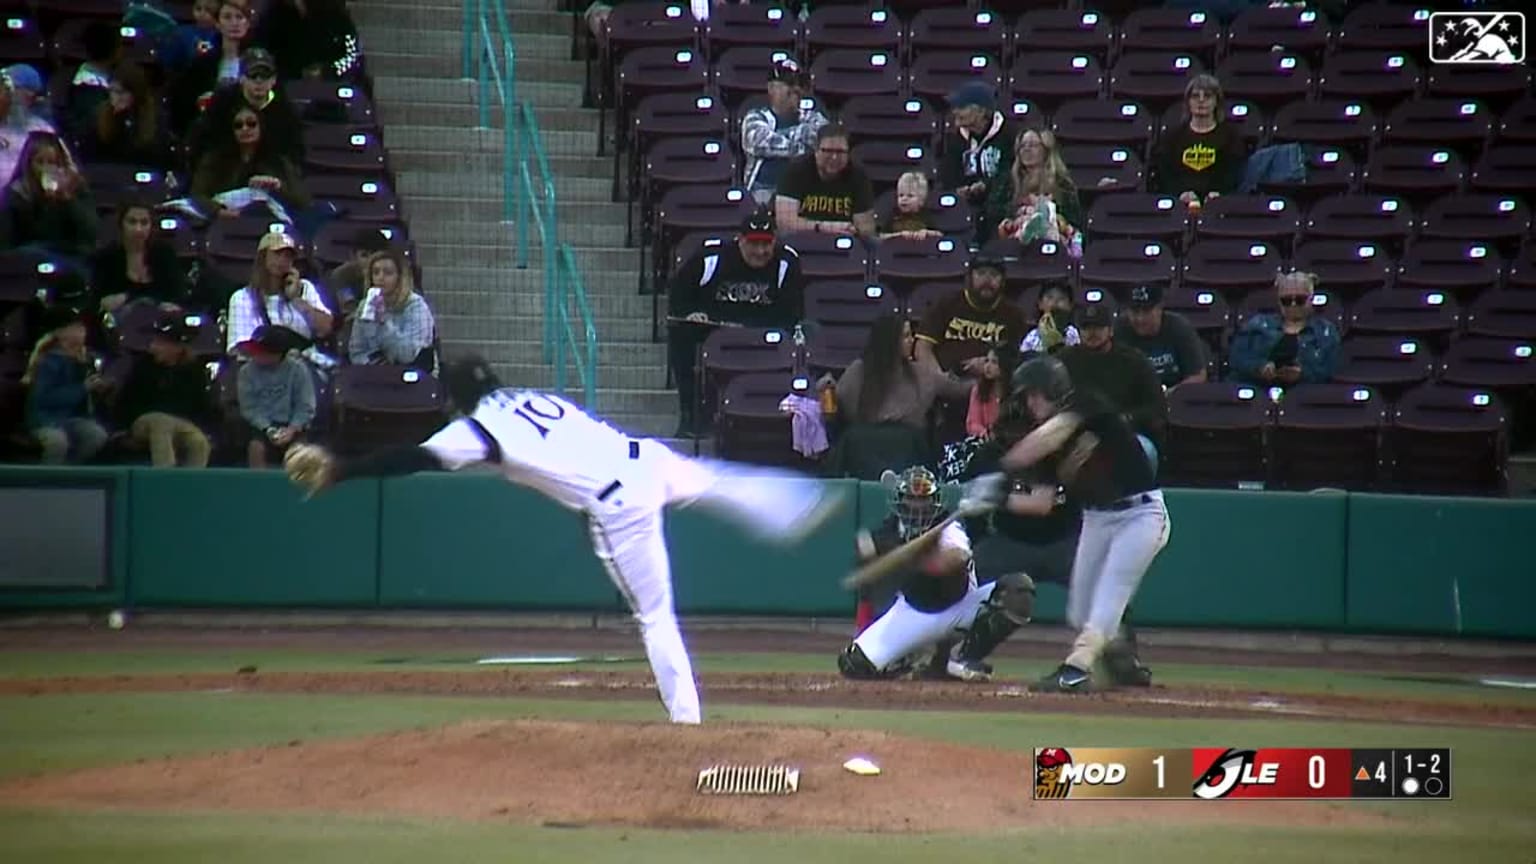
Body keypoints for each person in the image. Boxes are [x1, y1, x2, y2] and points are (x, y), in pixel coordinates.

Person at [282, 354, 849, 725]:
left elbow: (413, 457)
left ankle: (688, 724)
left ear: (456, 399)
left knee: (655, 617)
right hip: (645, 460)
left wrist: (340, 467)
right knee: (720, 483)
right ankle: (796, 504)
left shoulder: (476, 427)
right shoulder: (536, 398)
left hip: (618, 505)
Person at [943, 367, 1154, 686]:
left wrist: (1002, 474)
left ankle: (1097, 666)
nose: (1029, 404)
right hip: (1060, 529)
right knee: (1075, 607)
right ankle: (954, 654)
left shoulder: (1085, 403)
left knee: (1106, 591)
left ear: (1047, 390)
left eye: (1032, 395)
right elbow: (1040, 501)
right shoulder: (1042, 448)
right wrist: (996, 498)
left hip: (1118, 521)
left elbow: (1053, 434)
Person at [837, 465, 1028, 679]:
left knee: (1018, 592)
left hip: (963, 606)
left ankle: (962, 657)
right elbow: (867, 573)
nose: (918, 506)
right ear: (901, 500)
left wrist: (921, 559)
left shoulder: (949, 527)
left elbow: (958, 556)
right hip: (914, 611)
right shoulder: (887, 534)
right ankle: (917, 659)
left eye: (923, 499)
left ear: (934, 501)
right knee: (853, 664)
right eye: (912, 498)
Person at [666, 206, 803, 436]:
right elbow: (679, 294)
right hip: (715, 331)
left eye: (766, 244)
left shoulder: (786, 263)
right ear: (740, 240)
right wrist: (692, 313)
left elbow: (793, 312)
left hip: (764, 335)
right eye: (753, 244)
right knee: (682, 333)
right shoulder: (712, 258)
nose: (760, 251)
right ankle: (691, 416)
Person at [1228, 270, 1340, 388]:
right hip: (1257, 390)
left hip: (1303, 394)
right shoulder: (1257, 324)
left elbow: (1331, 369)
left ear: (1311, 299)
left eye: (1300, 300)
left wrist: (1302, 374)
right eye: (1286, 301)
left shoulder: (1325, 331)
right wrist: (1259, 368)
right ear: (1278, 302)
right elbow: (1237, 358)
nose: (1293, 305)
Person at [740, 56, 827, 203]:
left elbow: (824, 137)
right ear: (771, 88)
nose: (795, 88)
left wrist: (782, 139)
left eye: (798, 83)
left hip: (803, 192)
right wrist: (803, 144)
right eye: (789, 83)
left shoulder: (813, 117)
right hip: (762, 193)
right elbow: (761, 143)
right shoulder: (755, 117)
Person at [1151, 74, 1245, 209]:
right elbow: (1165, 172)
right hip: (1179, 202)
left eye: (1207, 96)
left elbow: (1233, 172)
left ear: (1217, 101)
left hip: (1218, 203)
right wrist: (1179, 193)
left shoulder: (1230, 136)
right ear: (1188, 101)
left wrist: (1220, 193)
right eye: (1195, 96)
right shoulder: (1171, 137)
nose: (1201, 101)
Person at [773, 123, 876, 239]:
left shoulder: (859, 176)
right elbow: (785, 224)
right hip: (801, 240)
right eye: (828, 151)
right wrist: (825, 227)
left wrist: (857, 230)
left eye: (840, 152)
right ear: (816, 151)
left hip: (843, 243)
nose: (834, 157)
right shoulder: (795, 171)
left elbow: (866, 229)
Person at [1113, 283, 1208, 390]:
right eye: (1135, 312)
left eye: (1146, 311)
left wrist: (1170, 393)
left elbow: (1198, 375)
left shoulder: (1179, 327)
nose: (1140, 319)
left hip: (1173, 395)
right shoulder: (1118, 329)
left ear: (1159, 308)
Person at [939, 82, 1013, 212]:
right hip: (963, 210)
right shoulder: (954, 139)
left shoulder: (1009, 135)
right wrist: (957, 190)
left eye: (962, 107)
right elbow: (947, 175)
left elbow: (1010, 174)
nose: (955, 111)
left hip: (1000, 207)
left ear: (981, 111)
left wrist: (986, 185)